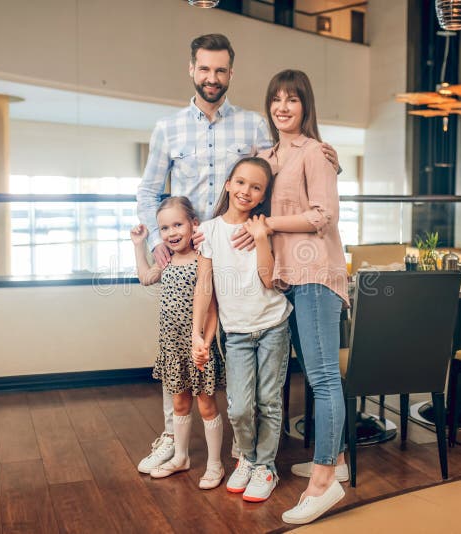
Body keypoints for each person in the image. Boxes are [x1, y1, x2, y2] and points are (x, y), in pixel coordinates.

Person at [135, 33, 339, 474]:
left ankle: (243, 451)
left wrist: (329, 158)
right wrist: (156, 241)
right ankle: (174, 440)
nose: (212, 77)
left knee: (235, 345)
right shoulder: (168, 128)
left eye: (220, 70)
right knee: (181, 347)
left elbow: (279, 168)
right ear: (192, 69)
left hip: (242, 254)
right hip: (187, 259)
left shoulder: (252, 126)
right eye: (204, 69)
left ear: (231, 73)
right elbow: (149, 191)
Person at [234, 70, 349, 524]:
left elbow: (323, 215)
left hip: (316, 273)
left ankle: (323, 481)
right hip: (287, 277)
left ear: (305, 106)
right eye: (276, 99)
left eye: (292, 99)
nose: (283, 107)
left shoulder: (315, 153)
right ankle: (337, 460)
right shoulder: (266, 158)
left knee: (323, 378)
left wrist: (267, 226)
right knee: (315, 375)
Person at [192, 156, 292, 503]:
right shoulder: (209, 231)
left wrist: (261, 237)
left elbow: (270, 280)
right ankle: (246, 458)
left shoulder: (265, 227)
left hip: (273, 325)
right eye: (240, 182)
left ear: (263, 195)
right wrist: (197, 334)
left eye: (256, 187)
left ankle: (265, 467)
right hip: (235, 333)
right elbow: (204, 285)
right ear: (228, 185)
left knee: (268, 401)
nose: (246, 191)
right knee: (238, 407)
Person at [130, 197, 226, 490]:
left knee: (206, 405)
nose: (171, 233)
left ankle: (215, 464)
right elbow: (145, 277)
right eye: (164, 228)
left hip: (198, 348)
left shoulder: (203, 260)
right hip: (172, 348)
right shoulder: (167, 260)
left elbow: (213, 310)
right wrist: (139, 245)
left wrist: (205, 344)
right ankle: (181, 457)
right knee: (179, 404)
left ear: (194, 224)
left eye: (177, 225)